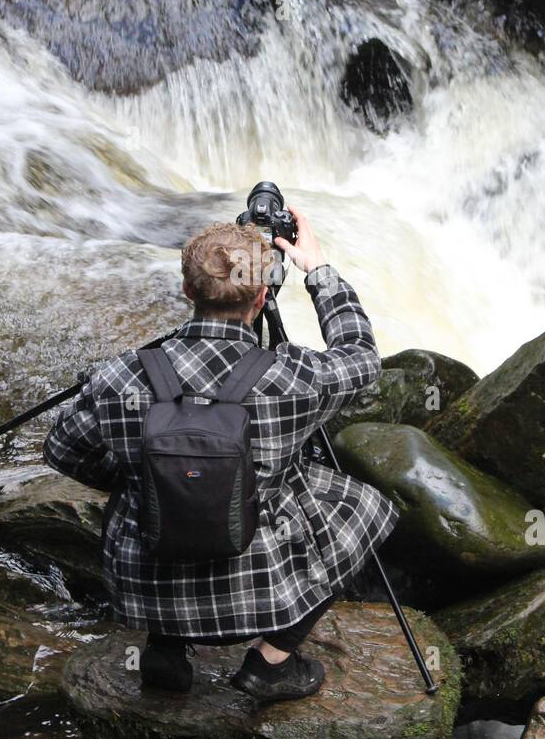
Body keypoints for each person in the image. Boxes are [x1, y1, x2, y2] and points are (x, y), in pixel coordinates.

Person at [43, 207, 398, 703]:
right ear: (261, 297)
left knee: (159, 487)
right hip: (255, 593)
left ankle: (165, 649)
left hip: (144, 589)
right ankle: (271, 661)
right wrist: (318, 271)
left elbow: (61, 450)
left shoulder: (121, 376)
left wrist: (146, 481)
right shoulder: (293, 378)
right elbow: (361, 358)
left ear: (187, 292)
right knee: (363, 504)